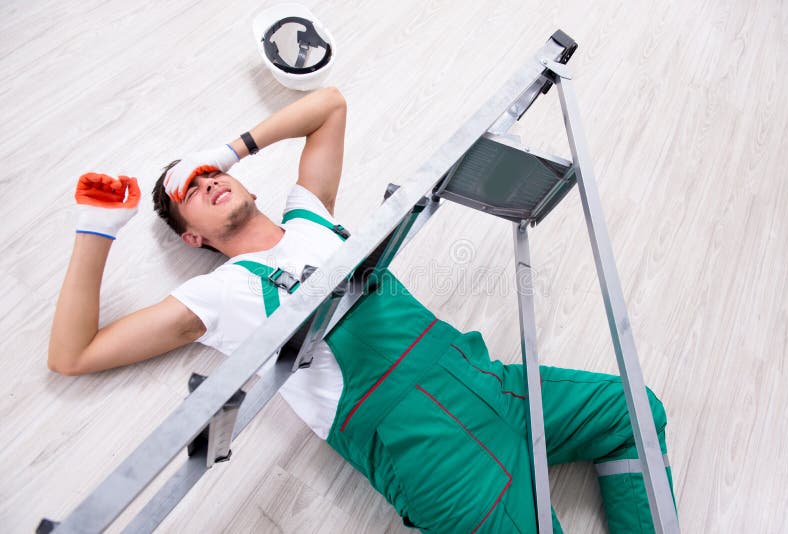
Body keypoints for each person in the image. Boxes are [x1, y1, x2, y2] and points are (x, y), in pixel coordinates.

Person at [49, 87, 675, 533]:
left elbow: (329, 106)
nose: (206, 182)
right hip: (427, 452)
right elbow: (74, 354)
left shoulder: (308, 213)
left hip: (491, 382)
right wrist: (96, 230)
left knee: (637, 412)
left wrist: (226, 150)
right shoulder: (218, 294)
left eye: (208, 174)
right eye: (189, 192)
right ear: (193, 237)